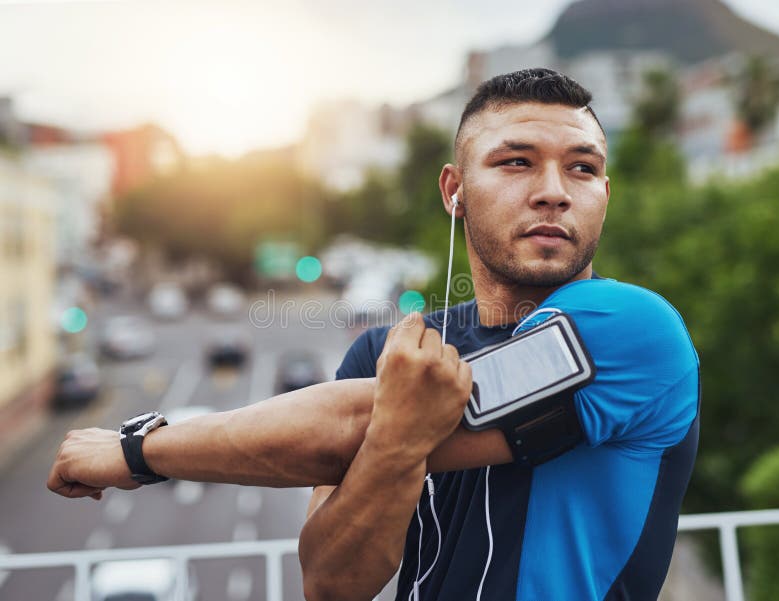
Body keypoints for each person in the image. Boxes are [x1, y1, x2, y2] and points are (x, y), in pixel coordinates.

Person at [48, 68, 699, 601]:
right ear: (456, 191)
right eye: (517, 162)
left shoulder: (635, 333)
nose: (554, 192)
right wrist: (394, 442)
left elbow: (342, 424)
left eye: (582, 169)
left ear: (604, 194)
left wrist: (139, 450)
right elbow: (332, 583)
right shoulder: (381, 355)